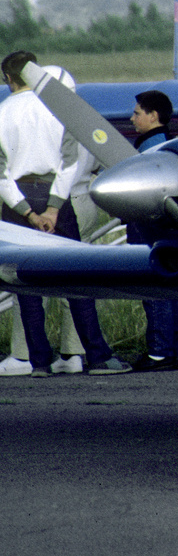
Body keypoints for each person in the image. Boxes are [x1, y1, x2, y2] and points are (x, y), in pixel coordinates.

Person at [0, 51, 129, 375]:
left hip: (17, 198)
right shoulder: (58, 110)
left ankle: (39, 361)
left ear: (7, 79)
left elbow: (1, 176)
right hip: (56, 194)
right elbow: (70, 164)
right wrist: (54, 208)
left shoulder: (2, 112)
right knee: (75, 278)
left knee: (25, 284)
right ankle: (97, 357)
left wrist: (28, 213)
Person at [128, 90, 178, 371]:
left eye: (138, 113)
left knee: (154, 286)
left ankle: (160, 352)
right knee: (172, 288)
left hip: (149, 227)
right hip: (169, 228)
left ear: (153, 116)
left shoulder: (150, 149)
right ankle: (174, 349)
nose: (132, 118)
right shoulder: (168, 144)